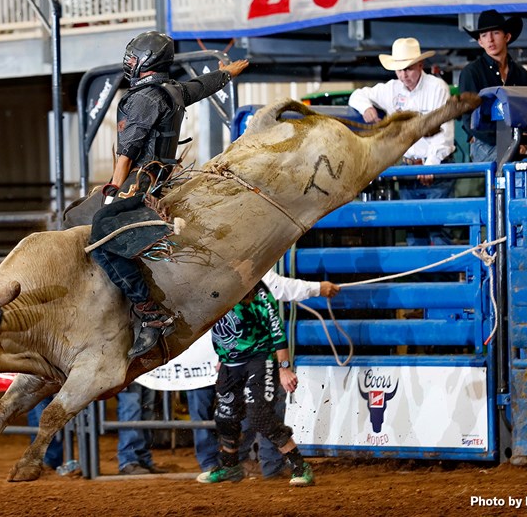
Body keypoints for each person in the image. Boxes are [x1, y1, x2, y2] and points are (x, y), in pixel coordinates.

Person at [90, 30, 248, 359]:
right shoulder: (170, 90)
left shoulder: (144, 98)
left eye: (133, 57)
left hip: (141, 185)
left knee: (101, 234)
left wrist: (112, 193)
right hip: (161, 179)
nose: (128, 62)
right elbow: (199, 88)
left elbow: (128, 150)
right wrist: (225, 74)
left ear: (146, 62)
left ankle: (150, 313)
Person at [197, 271, 340, 486]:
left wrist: (284, 368)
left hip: (259, 357)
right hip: (230, 361)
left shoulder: (255, 288)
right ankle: (229, 466)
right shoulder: (205, 289)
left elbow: (276, 328)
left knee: (260, 415)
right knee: (225, 415)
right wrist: (222, 356)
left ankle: (299, 466)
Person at [348, 37, 454, 246]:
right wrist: (366, 108)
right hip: (409, 170)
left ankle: (442, 277)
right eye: (399, 70)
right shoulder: (391, 89)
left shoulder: (437, 88)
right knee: (415, 233)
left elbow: (444, 132)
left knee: (437, 231)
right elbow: (358, 95)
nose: (403, 75)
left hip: (434, 168)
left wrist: (431, 164)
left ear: (420, 66)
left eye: (408, 69)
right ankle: (427, 278)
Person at [458, 9, 527, 163]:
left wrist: (523, 139)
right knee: (511, 168)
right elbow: (468, 119)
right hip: (485, 142)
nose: (490, 39)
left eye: (495, 33)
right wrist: (509, 143)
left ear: (507, 36)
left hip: (517, 142)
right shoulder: (471, 72)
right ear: (480, 42)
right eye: (484, 35)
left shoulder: (521, 74)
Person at [115, 382, 167, 475]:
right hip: (130, 374)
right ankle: (128, 461)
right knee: (131, 412)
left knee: (146, 413)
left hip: (147, 375)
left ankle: (143, 460)